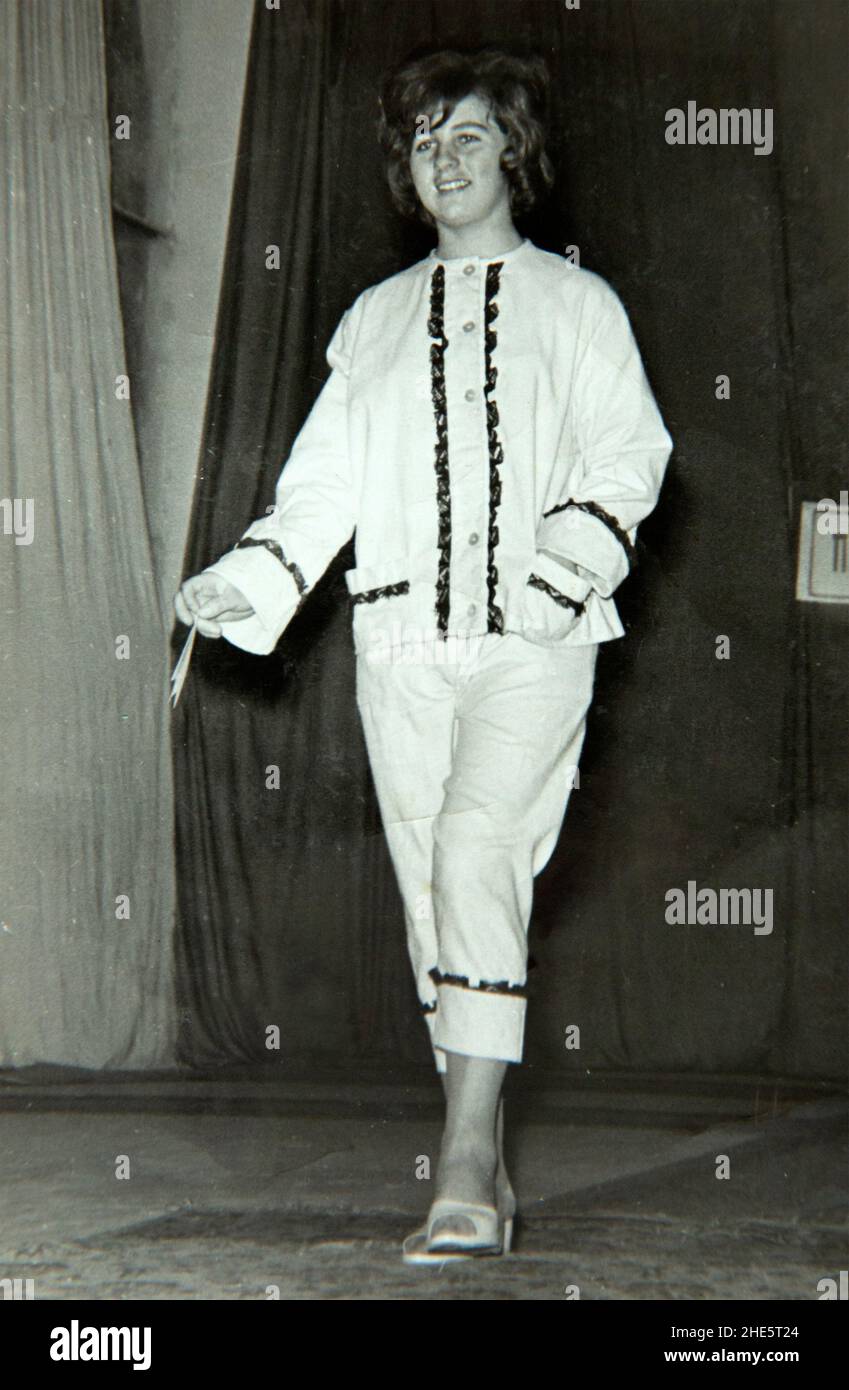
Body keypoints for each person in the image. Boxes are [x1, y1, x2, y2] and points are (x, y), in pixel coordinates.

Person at [175, 47, 672, 1263]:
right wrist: (243, 579)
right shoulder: (376, 319)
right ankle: (484, 1149)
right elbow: (323, 489)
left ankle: (458, 1164)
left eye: (467, 137)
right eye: (423, 143)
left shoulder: (577, 304)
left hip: (536, 634)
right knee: (430, 893)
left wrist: (564, 565)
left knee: (475, 848)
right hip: (399, 636)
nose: (443, 160)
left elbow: (630, 454)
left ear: (515, 153)